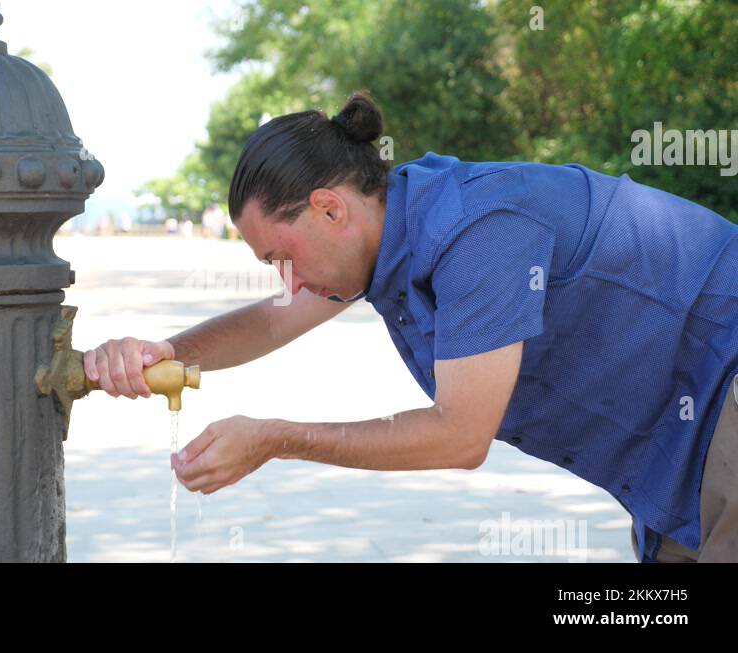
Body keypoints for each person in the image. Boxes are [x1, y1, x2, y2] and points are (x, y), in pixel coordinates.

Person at [82, 92, 738, 562]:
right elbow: (269, 324)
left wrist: (275, 438)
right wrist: (163, 351)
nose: (287, 282)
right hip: (672, 463)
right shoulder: (385, 237)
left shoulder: (477, 231)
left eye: (281, 257)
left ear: (329, 208)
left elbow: (459, 436)